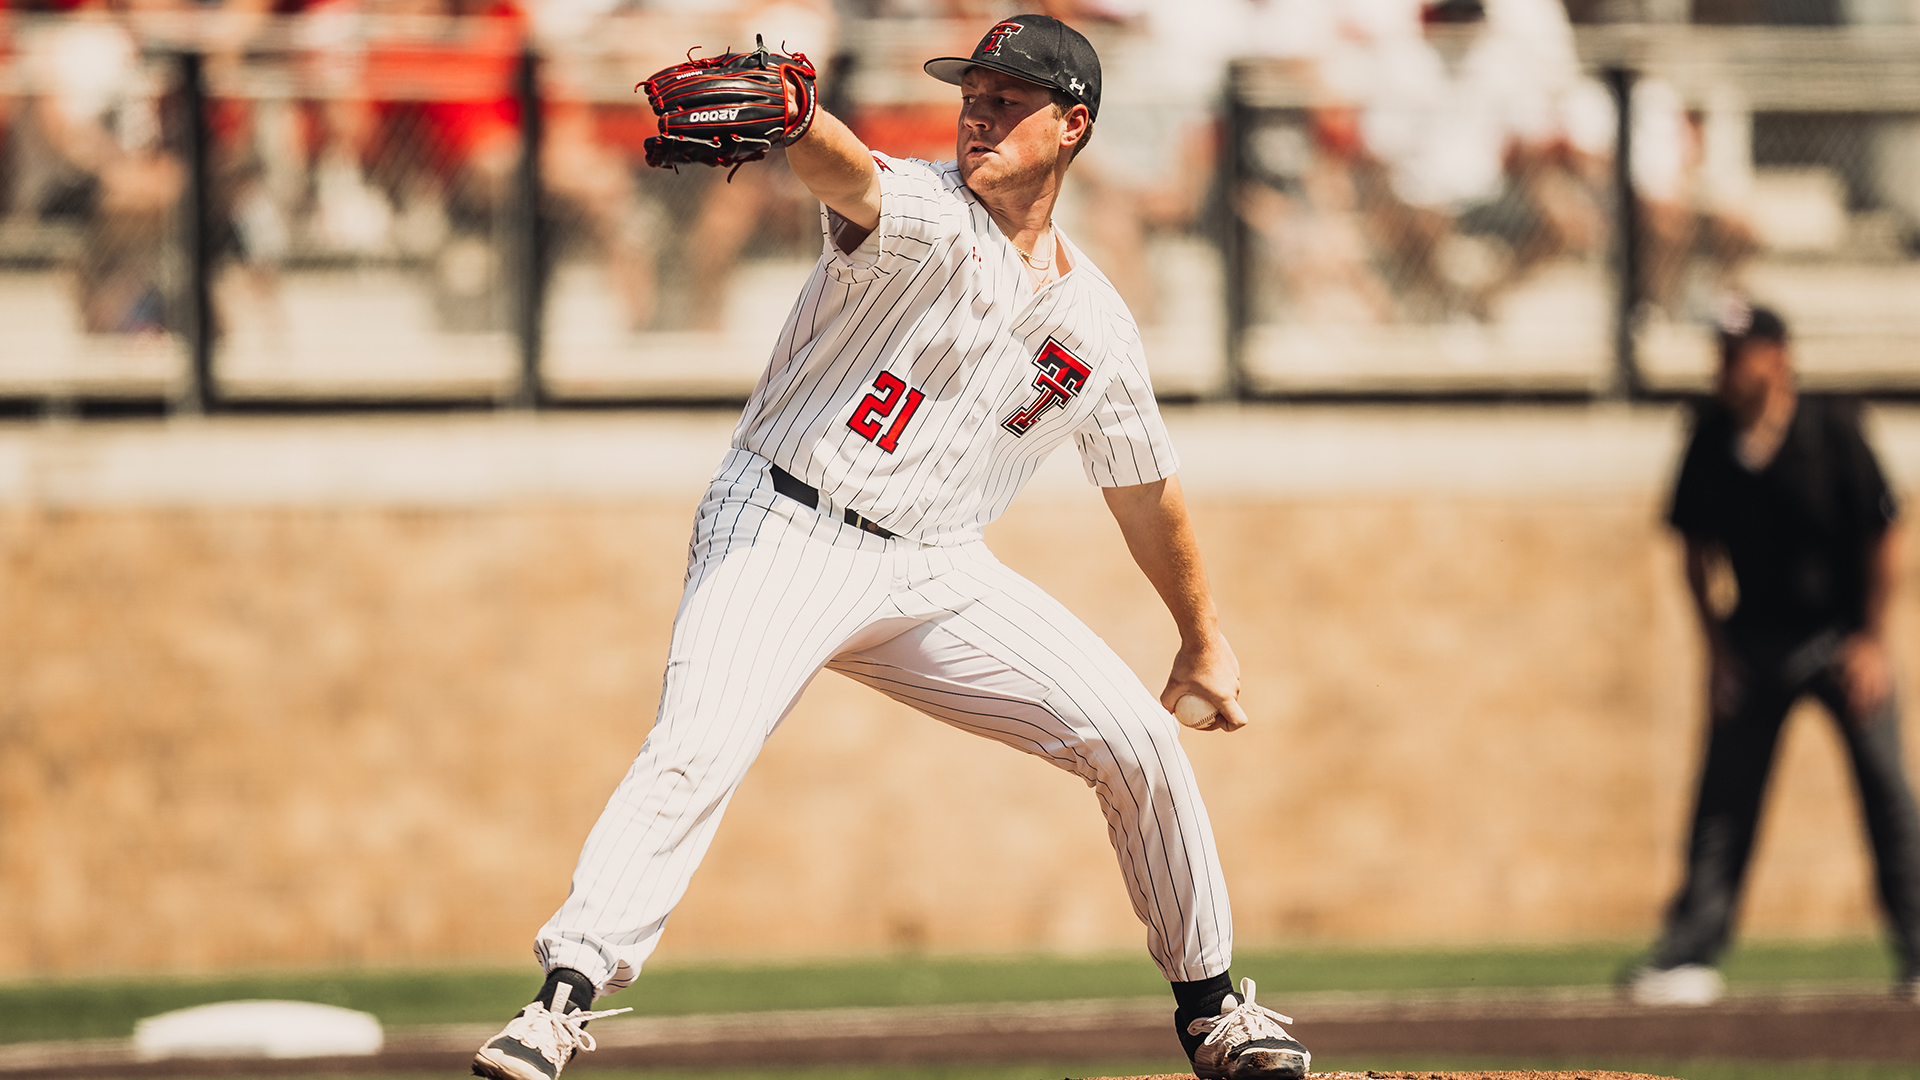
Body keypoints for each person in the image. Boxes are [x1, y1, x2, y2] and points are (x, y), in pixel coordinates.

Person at [469, 14, 1311, 1080]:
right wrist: (794, 118)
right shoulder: (925, 216)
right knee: (699, 744)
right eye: (974, 92)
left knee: (1136, 743)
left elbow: (1145, 486)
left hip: (937, 567)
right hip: (783, 525)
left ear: (1074, 126)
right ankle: (559, 1002)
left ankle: (1214, 1011)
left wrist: (1203, 635)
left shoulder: (1096, 324)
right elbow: (853, 172)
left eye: (1009, 99)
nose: (981, 111)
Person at [1624, 301, 1920, 1007]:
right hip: (1754, 638)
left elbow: (1884, 533)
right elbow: (1692, 552)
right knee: (1723, 798)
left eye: (1739, 351)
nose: (1726, 366)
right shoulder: (1709, 436)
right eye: (1720, 352)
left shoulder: (1833, 426)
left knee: (1888, 793)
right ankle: (1690, 952)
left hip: (1839, 636)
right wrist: (1718, 651)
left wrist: (1872, 641)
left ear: (1777, 356)